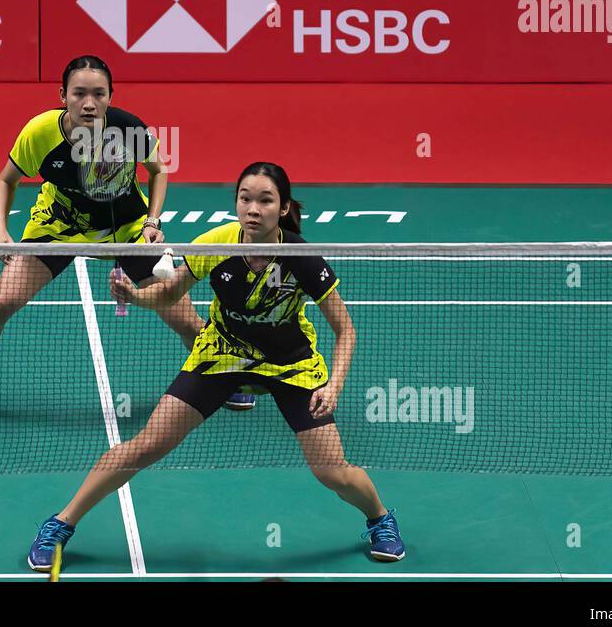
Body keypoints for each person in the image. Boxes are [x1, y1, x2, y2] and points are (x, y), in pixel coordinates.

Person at [25, 163, 405, 570]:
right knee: (145, 445)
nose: (253, 209)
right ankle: (60, 523)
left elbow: (345, 331)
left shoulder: (301, 257)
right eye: (245, 198)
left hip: (289, 365)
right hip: (222, 354)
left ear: (283, 208)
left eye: (265, 200)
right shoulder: (216, 242)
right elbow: (169, 295)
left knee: (333, 471)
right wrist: (135, 297)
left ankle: (380, 517)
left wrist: (334, 387)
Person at [0, 56, 213, 422]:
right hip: (57, 229)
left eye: (99, 94)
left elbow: (159, 169)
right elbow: (6, 181)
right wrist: (2, 234)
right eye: (79, 93)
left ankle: (219, 376)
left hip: (127, 230)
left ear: (111, 96)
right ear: (63, 95)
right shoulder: (40, 133)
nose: (89, 103)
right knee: (0, 305)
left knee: (185, 319)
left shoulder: (129, 129)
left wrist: (152, 221)